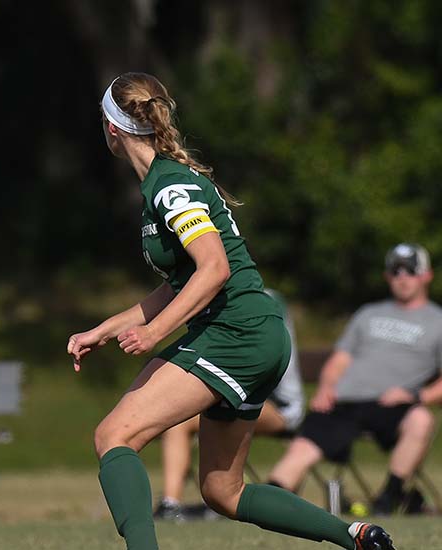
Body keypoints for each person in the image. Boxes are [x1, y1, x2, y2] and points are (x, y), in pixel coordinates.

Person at [65, 72, 394, 550]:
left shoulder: (171, 186)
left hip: (233, 332)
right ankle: (355, 535)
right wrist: (105, 328)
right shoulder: (166, 183)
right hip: (254, 334)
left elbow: (214, 268)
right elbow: (180, 283)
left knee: (114, 436)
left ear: (112, 129)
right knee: (224, 491)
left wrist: (156, 333)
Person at [268, 243, 442, 515]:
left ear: (426, 275)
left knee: (422, 419)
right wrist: (326, 388)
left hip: (394, 406)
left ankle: (388, 499)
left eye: (410, 270)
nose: (403, 277)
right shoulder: (368, 314)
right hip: (344, 401)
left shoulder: (437, 320)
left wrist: (417, 397)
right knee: (302, 449)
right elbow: (339, 361)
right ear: (387, 276)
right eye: (395, 271)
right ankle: (270, 503)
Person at [155, 288, 305, 521]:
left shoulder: (264, 300)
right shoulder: (215, 295)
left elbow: (254, 359)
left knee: (200, 416)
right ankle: (170, 506)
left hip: (277, 403)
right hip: (235, 390)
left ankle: (223, 500)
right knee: (177, 421)